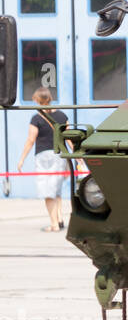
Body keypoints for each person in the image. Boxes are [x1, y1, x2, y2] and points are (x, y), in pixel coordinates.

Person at [16, 87, 69, 232]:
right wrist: (76, 157)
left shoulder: (37, 118)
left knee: (48, 192)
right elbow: (68, 136)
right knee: (56, 189)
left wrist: (21, 159)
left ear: (39, 100)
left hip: (44, 157)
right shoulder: (62, 115)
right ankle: (59, 218)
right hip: (60, 156)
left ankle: (54, 224)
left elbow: (30, 140)